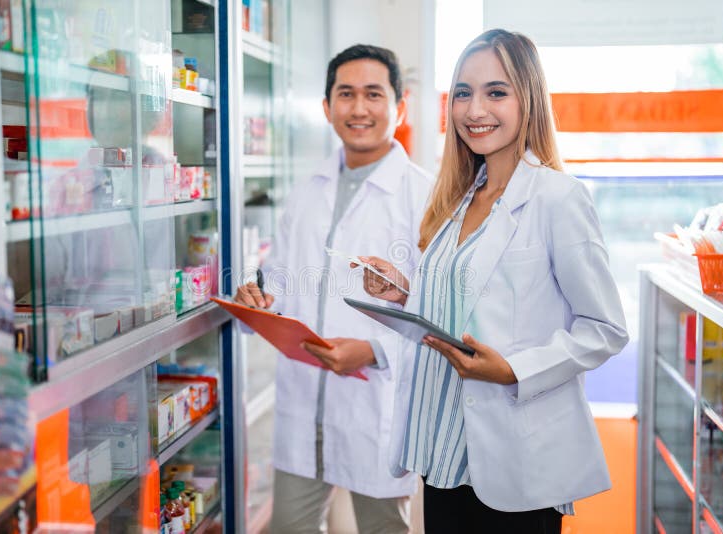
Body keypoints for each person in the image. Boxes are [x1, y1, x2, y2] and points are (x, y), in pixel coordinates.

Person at [358, 29, 629, 533]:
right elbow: (471, 305)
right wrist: (406, 293)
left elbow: (605, 328)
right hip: (442, 451)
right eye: (463, 93)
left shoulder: (557, 198)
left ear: (528, 99)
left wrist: (513, 370)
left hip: (514, 461)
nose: (475, 109)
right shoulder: (459, 198)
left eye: (496, 92)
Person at [234, 44, 433, 533]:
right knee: (289, 528)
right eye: (346, 94)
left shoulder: (425, 196)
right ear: (327, 107)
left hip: (378, 402)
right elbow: (281, 277)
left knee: (383, 529)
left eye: (373, 94)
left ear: (399, 106)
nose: (359, 108)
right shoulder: (307, 191)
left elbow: (441, 315)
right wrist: (258, 297)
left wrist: (373, 350)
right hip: (303, 403)